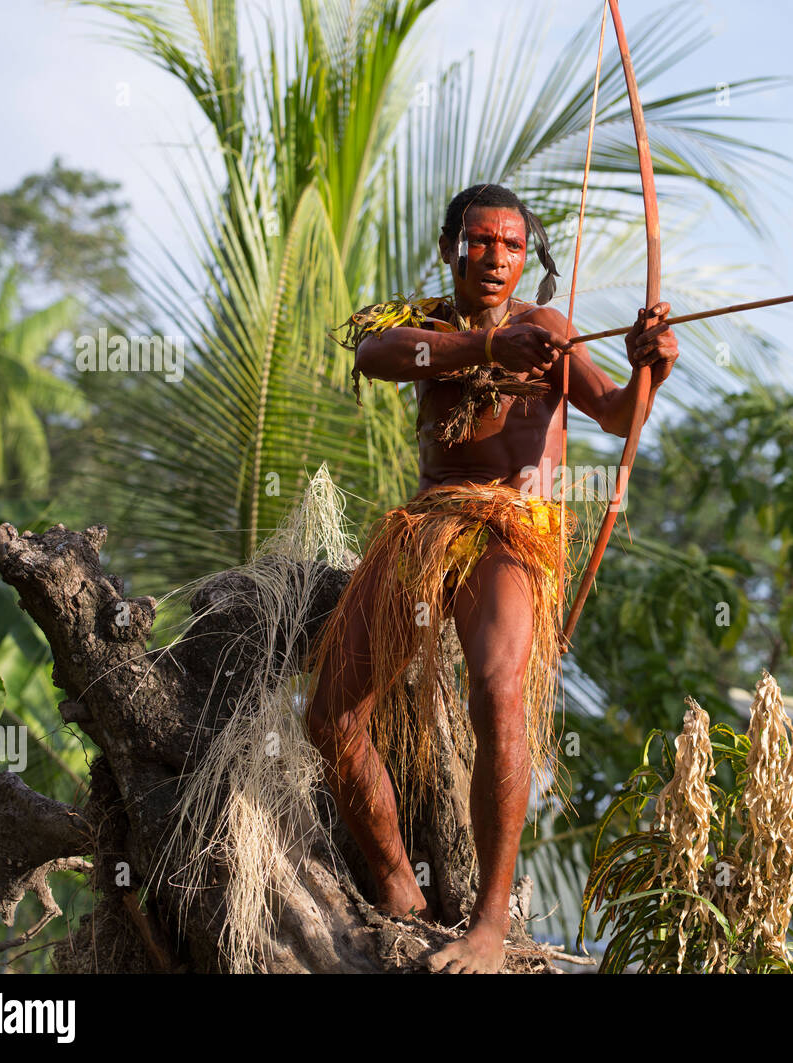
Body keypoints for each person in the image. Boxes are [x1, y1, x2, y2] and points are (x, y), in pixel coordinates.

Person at [304, 182, 678, 973]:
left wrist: (653, 368)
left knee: (500, 692)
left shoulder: (547, 329)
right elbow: (376, 355)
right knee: (330, 715)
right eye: (479, 241)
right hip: (429, 523)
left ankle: (489, 926)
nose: (495, 257)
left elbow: (616, 414)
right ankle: (400, 888)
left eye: (511, 245)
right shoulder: (425, 326)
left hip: (513, 525)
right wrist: (482, 350)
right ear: (449, 247)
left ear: (525, 255)